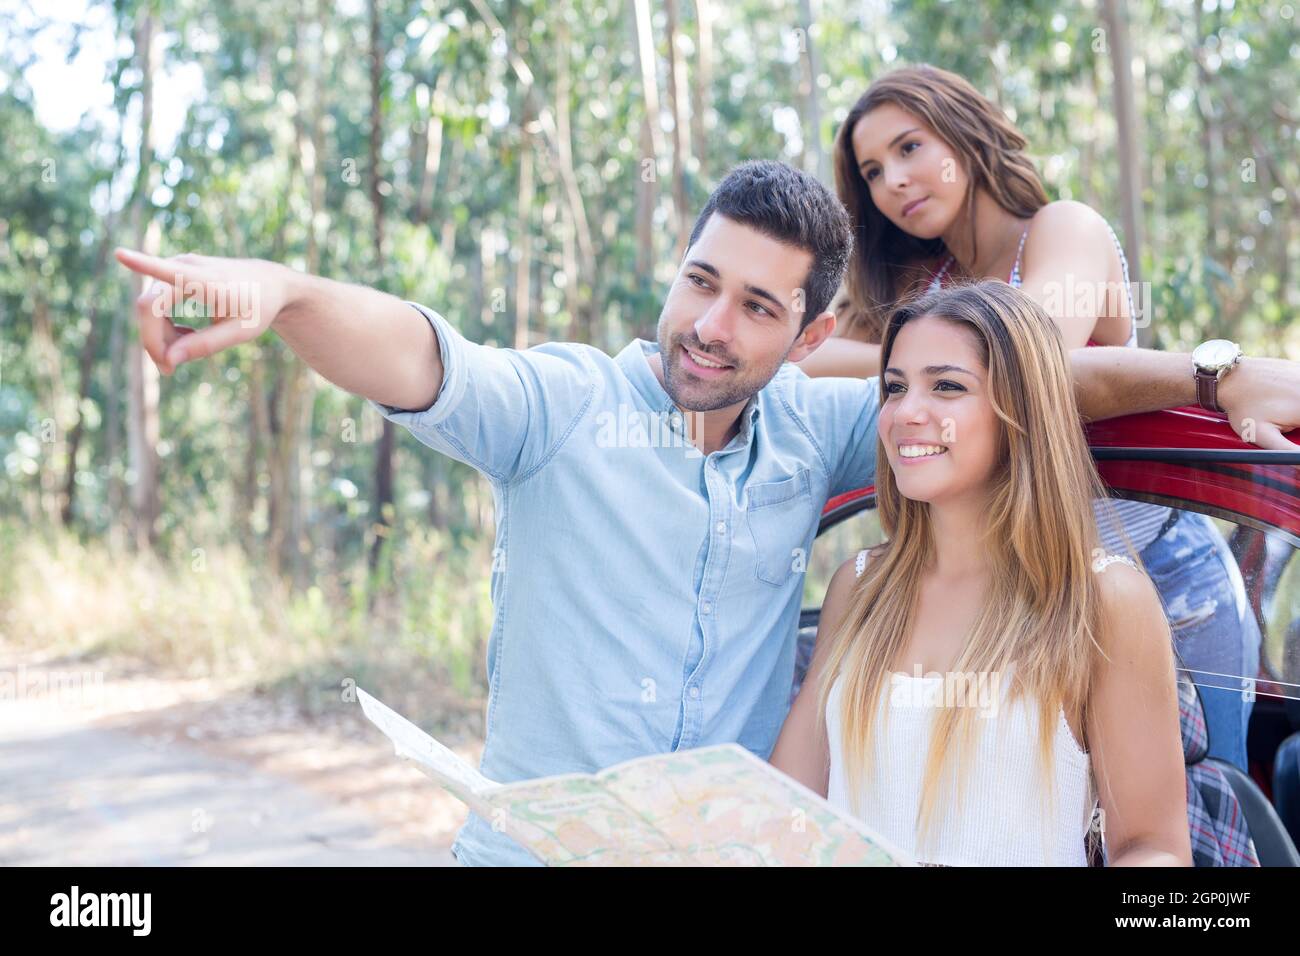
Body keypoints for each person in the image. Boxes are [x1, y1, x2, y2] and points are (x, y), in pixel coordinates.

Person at [116, 160, 1300, 866]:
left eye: (752, 305)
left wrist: (1208, 371)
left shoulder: (833, 425)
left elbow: (1012, 379)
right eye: (698, 280)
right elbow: (426, 354)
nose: (709, 325)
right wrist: (282, 293)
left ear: (809, 336)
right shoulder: (567, 408)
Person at [797, 65, 1261, 771]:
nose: (891, 178)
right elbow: (804, 362)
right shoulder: (931, 291)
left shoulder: (1063, 229)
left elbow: (1029, 360)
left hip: (1167, 585)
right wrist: (897, 361)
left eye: (909, 147)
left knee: (1200, 815)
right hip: (1034, 597)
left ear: (965, 133)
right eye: (871, 170)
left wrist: (908, 360)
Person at [772, 281, 1192, 866]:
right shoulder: (859, 586)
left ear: (1020, 410)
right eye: (895, 388)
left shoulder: (1104, 599)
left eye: (946, 386)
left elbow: (1154, 849)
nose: (906, 413)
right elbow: (784, 812)